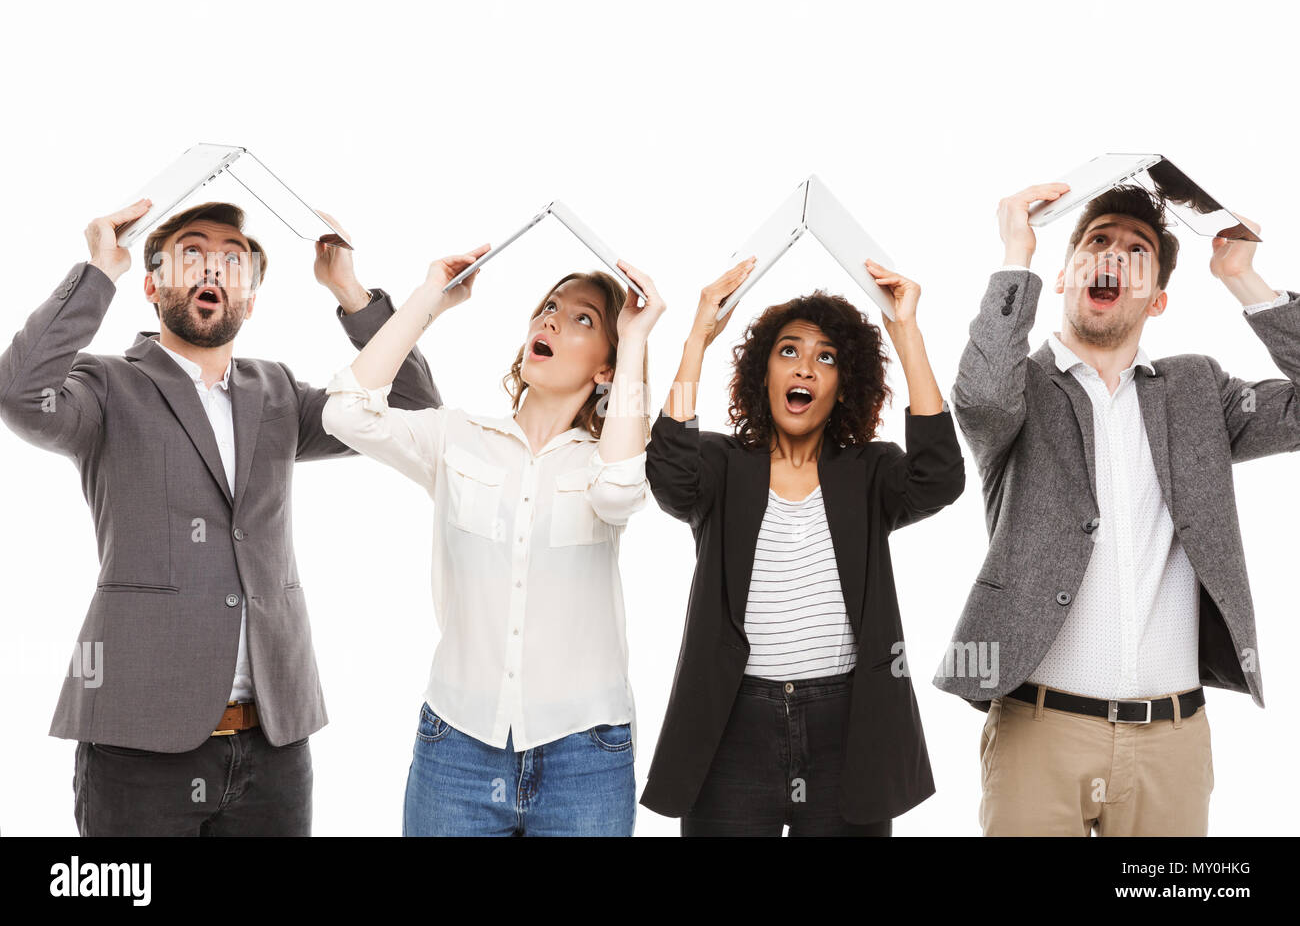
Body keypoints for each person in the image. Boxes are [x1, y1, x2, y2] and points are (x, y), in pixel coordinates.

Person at [0, 198, 441, 835]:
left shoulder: (279, 393)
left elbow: (414, 418)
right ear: (153, 285)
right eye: (191, 254)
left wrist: (351, 293)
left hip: (275, 745)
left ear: (251, 299)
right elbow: (18, 393)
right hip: (139, 743)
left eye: (233, 261)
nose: (213, 268)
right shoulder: (103, 386)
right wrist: (98, 271)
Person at [936, 182, 1297, 836]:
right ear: (1067, 275)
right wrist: (1015, 251)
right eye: (1097, 240)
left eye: (1137, 250)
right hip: (1037, 734)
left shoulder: (1197, 390)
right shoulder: (1017, 390)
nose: (1114, 254)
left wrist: (1245, 280)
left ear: (1157, 297)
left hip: (1172, 744)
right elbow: (980, 399)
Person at [321, 249, 674, 836]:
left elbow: (617, 491)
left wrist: (635, 341)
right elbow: (346, 414)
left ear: (605, 368)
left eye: (583, 319)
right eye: (549, 309)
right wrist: (430, 295)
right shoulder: (457, 438)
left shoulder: (609, 462)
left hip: (585, 753)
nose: (552, 322)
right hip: (457, 745)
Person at [639, 256, 966, 835]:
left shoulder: (869, 471)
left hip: (847, 729)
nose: (806, 369)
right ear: (763, 373)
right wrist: (697, 338)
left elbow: (939, 477)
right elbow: (667, 473)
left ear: (844, 387)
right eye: (789, 351)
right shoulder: (720, 465)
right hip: (732, 727)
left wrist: (906, 332)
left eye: (826, 358)